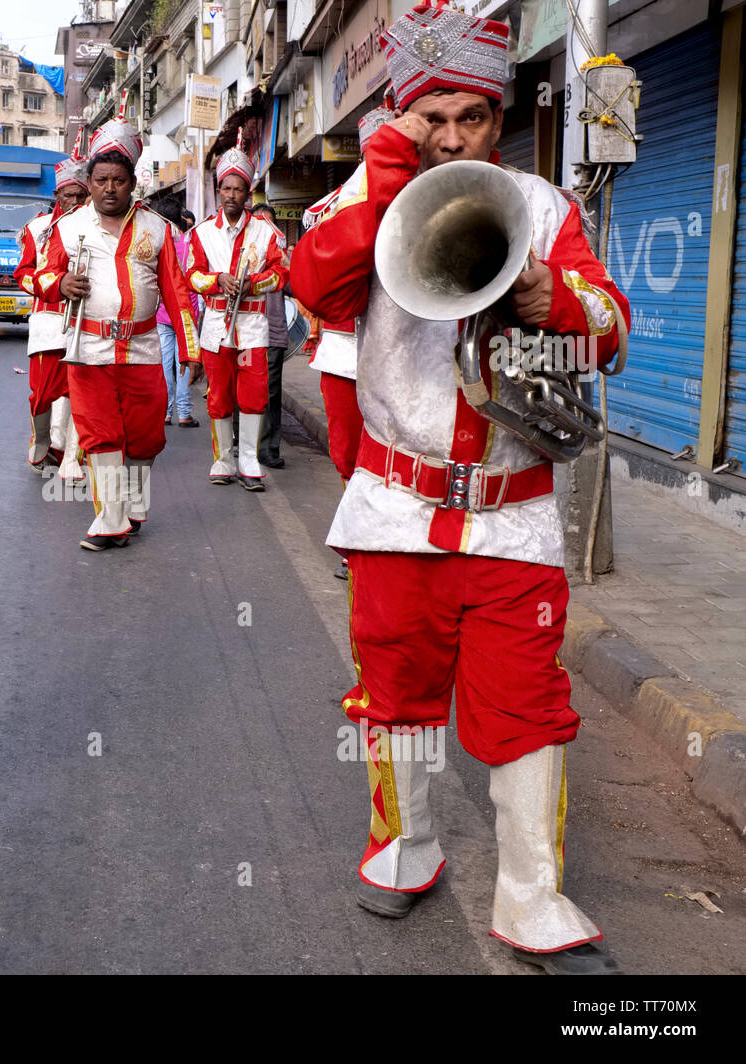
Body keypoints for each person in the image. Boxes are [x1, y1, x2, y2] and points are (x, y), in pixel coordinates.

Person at [290, 0, 629, 974]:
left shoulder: (546, 208)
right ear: (400, 113)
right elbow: (313, 283)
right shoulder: (350, 200)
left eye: (469, 117)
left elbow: (608, 326)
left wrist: (548, 294)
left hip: (514, 517)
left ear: (498, 115)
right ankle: (406, 848)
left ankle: (532, 897)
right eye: (429, 115)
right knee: (393, 694)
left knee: (527, 702)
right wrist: (387, 182)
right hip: (396, 508)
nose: (450, 135)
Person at [36, 100, 201, 550]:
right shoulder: (69, 228)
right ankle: (110, 521)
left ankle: (133, 507)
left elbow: (178, 292)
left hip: (145, 348)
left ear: (133, 183)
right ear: (88, 183)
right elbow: (41, 275)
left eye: (118, 180)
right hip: (87, 349)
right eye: (101, 180)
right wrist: (60, 282)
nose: (109, 188)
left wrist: (190, 349)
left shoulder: (159, 229)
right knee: (100, 433)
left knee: (146, 435)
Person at [301, 103, 392, 578]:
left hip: (410, 352)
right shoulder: (331, 207)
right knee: (350, 452)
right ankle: (357, 539)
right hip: (344, 352)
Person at [185, 133, 287, 491]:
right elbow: (192, 277)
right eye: (225, 189)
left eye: (238, 189)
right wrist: (218, 280)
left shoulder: (266, 232)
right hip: (215, 327)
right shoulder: (200, 234)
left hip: (254, 327)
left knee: (256, 394)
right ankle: (223, 458)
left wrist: (252, 283)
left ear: (247, 194)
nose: (231, 195)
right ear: (218, 191)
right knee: (220, 395)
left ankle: (249, 459)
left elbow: (279, 274)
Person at [15, 135, 88, 475]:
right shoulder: (37, 229)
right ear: (56, 195)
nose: (73, 201)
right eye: (67, 195)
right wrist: (52, 286)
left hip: (87, 322)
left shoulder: (98, 228)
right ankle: (42, 438)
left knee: (79, 391)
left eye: (79, 195)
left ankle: (71, 458)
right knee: (42, 393)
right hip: (47, 321)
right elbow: (24, 273)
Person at [155, 201, 201, 428]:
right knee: (184, 360)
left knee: (165, 363)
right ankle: (184, 413)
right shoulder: (189, 243)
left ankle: (165, 411)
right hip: (187, 313)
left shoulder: (157, 244)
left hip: (163, 313)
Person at [250, 202, 288, 468]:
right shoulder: (243, 249)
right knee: (246, 390)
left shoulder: (280, 251)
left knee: (271, 392)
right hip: (245, 330)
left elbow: (294, 285)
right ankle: (244, 443)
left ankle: (268, 448)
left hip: (272, 330)